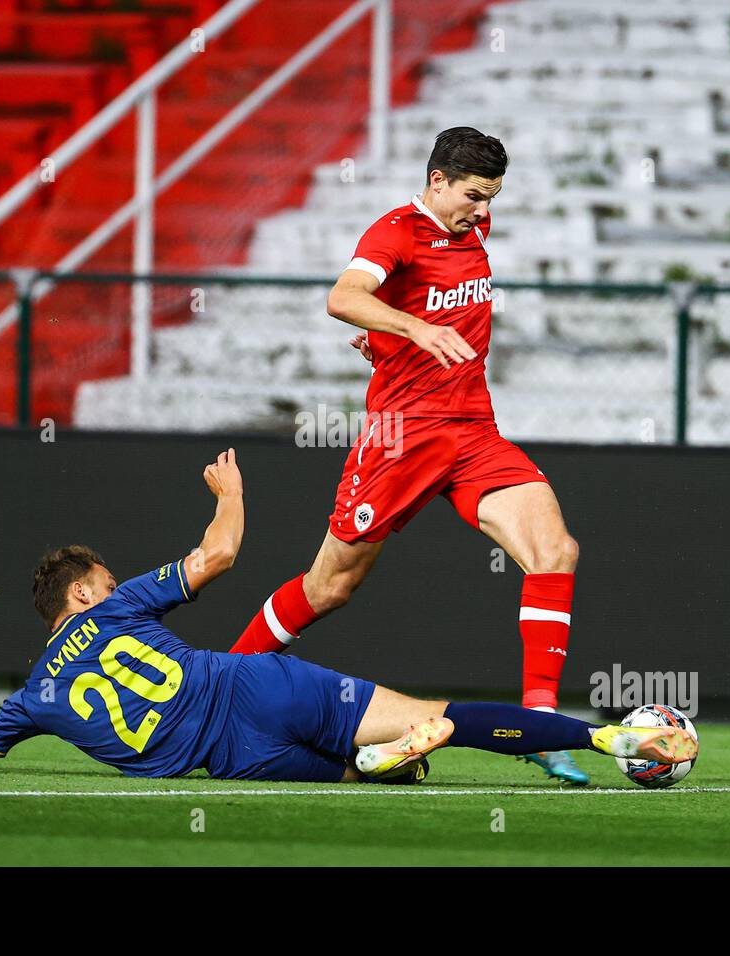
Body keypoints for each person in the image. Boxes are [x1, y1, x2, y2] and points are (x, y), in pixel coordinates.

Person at [0, 450, 696, 782]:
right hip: (255, 688)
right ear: (85, 594)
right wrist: (231, 493)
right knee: (442, 724)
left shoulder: (31, 700)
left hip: (236, 763)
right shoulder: (118, 608)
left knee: (378, 779)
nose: (116, 579)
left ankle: (374, 766)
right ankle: (606, 741)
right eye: (105, 575)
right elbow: (219, 556)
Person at [227, 127, 591, 784]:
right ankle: (224, 687)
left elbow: (416, 302)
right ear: (437, 183)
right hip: (401, 440)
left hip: (475, 431)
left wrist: (397, 334)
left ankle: (542, 724)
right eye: (475, 196)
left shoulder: (472, 231)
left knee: (555, 551)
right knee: (331, 586)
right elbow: (344, 298)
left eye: (492, 198)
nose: (484, 211)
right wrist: (410, 329)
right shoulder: (395, 231)